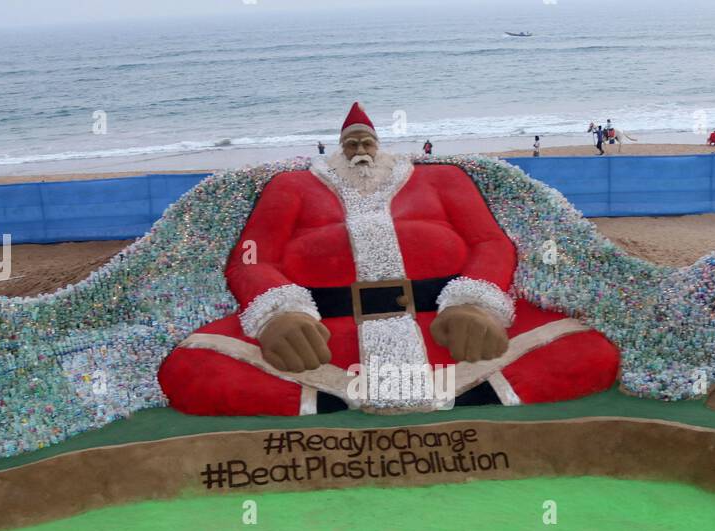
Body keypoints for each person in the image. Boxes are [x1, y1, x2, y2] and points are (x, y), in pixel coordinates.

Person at [156, 102, 621, 416]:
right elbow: (250, 259)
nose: (360, 151)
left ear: (381, 144)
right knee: (192, 370)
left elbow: (492, 244)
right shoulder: (290, 188)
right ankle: (334, 395)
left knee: (589, 351)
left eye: (366, 142)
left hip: (444, 324)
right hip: (326, 333)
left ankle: (459, 387)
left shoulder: (444, 180)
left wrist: (476, 303)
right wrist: (280, 315)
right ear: (338, 148)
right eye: (352, 144)